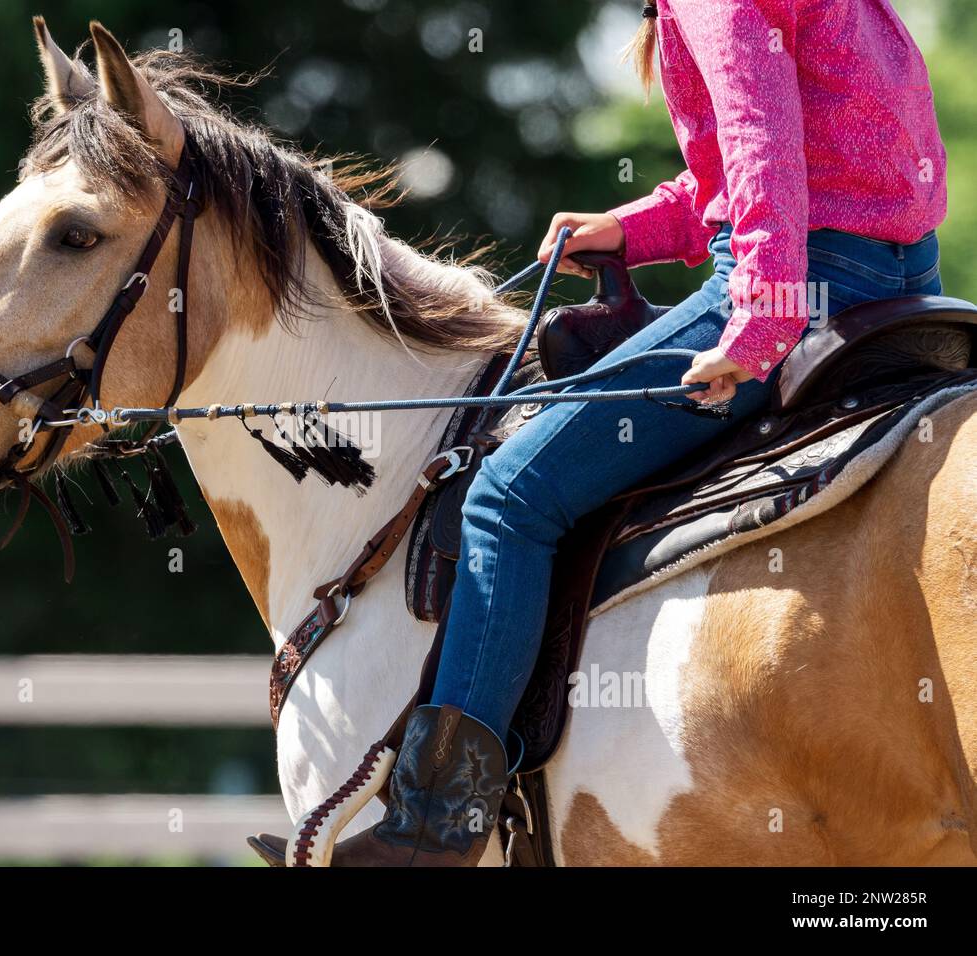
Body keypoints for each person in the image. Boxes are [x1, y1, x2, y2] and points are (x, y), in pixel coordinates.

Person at [274, 0, 948, 866]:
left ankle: (435, 824)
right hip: (905, 287)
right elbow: (817, 164)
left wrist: (756, 327)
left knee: (509, 498)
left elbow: (762, 152)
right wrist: (635, 229)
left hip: (795, 286)